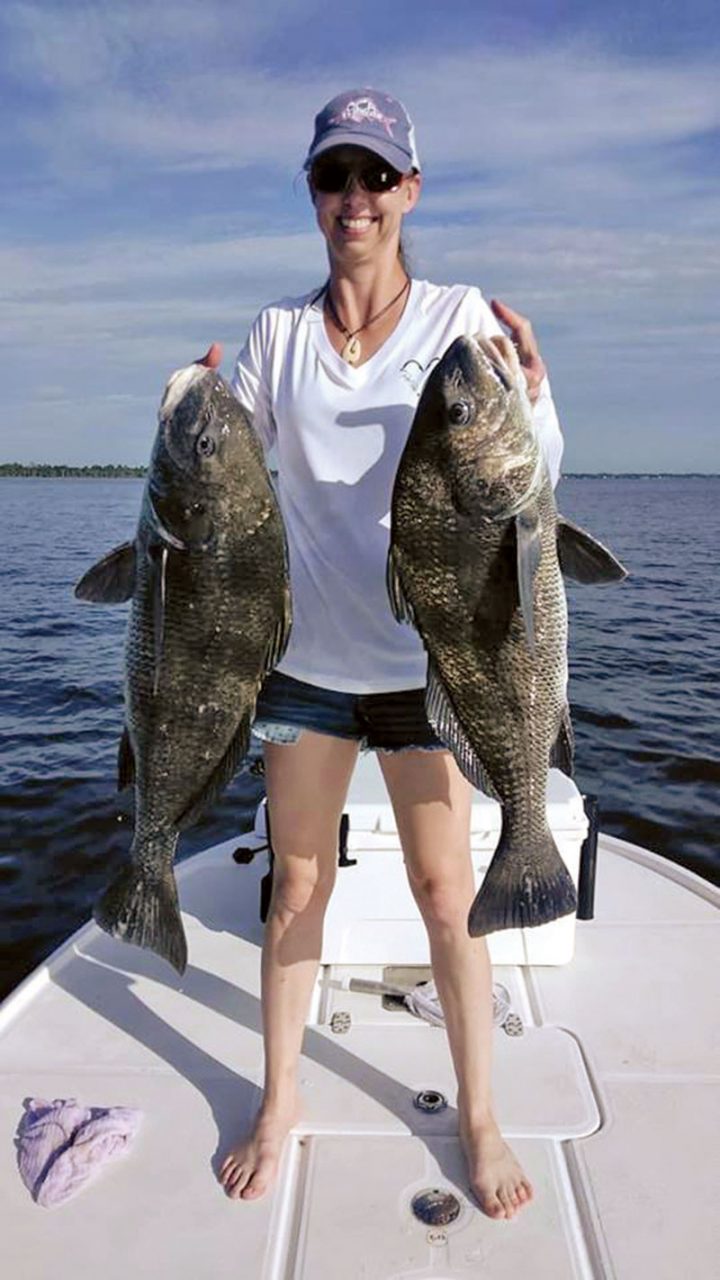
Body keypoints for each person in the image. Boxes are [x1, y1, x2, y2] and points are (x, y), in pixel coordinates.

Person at [199, 88, 563, 1220]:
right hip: (306, 660)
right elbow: (231, 472)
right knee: (295, 883)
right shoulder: (278, 334)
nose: (354, 198)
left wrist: (540, 401)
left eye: (375, 176)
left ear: (411, 189)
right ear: (314, 194)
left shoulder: (458, 318)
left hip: (431, 661)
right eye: (333, 177)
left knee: (446, 889)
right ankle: (278, 1098)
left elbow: (527, 470)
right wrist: (193, 413)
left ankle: (483, 1115)